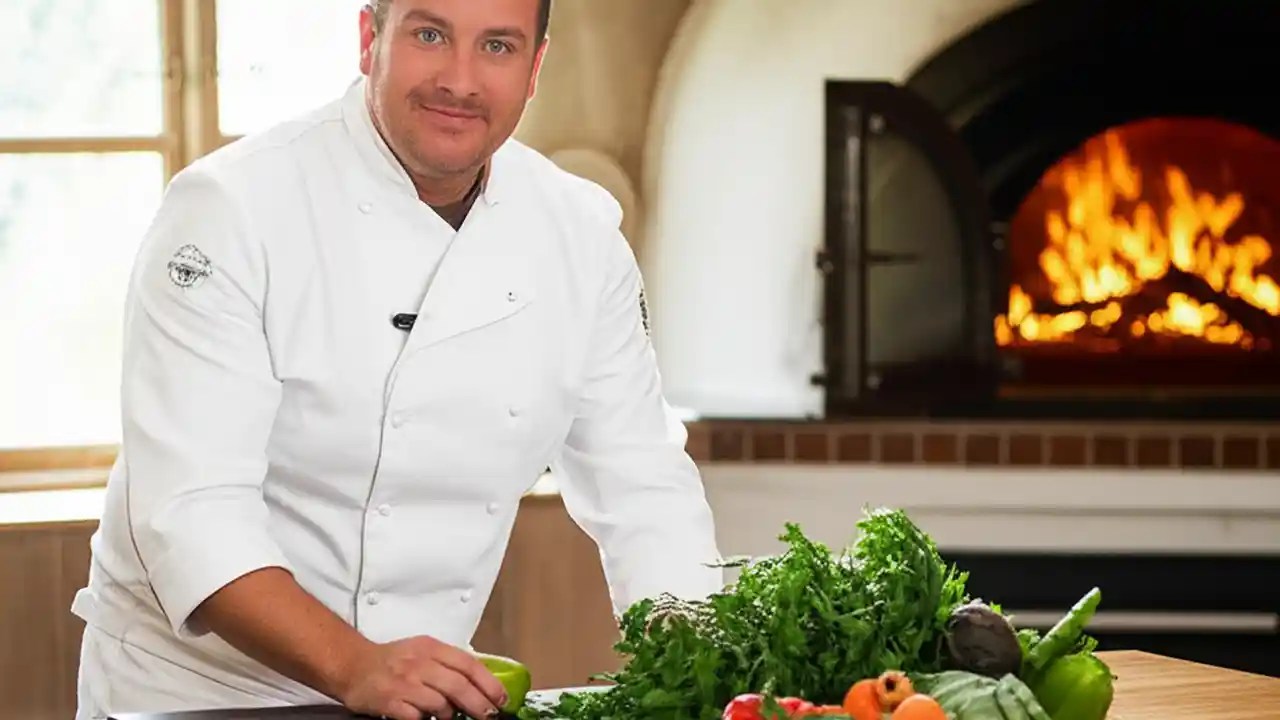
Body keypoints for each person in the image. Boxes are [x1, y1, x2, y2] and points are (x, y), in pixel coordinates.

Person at [71, 1, 724, 718]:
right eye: (430, 34)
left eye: (498, 47)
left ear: (535, 68)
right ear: (368, 38)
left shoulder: (581, 234)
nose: (461, 79)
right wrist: (356, 665)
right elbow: (190, 513)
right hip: (200, 694)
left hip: (414, 697)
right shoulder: (230, 209)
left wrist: (700, 671)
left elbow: (643, 487)